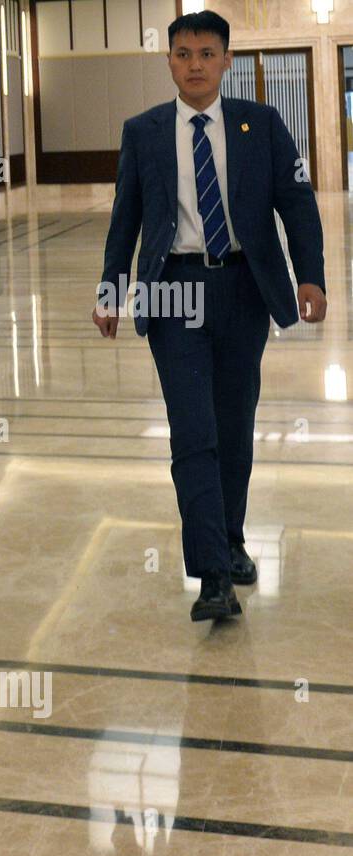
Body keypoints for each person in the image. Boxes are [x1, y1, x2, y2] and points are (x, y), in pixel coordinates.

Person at [93, 11, 325, 621]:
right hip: (173, 291)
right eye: (183, 54)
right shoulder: (143, 131)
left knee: (233, 423)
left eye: (206, 53)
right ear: (168, 61)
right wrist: (110, 288)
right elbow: (127, 218)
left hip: (244, 287)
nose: (194, 64)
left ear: (226, 60)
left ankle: (232, 537)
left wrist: (311, 277)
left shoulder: (262, 125)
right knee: (193, 429)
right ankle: (213, 574)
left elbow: (297, 205)